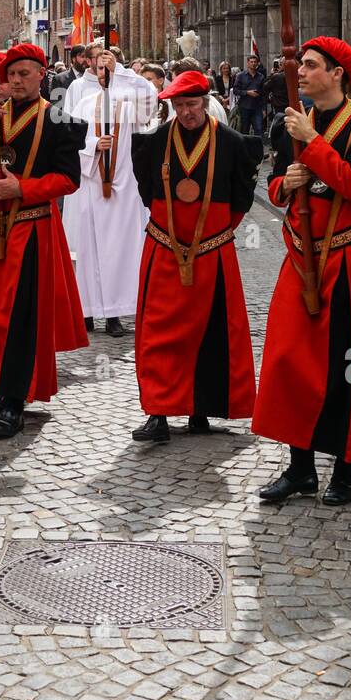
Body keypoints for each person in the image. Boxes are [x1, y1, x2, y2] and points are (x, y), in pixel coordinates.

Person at [253, 37, 351, 505]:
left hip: (349, 254)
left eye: (311, 66)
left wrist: (313, 144)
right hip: (302, 255)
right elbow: (277, 185)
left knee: (347, 363)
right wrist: (286, 182)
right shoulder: (290, 125)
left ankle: (345, 468)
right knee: (290, 360)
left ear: (338, 73)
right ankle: (300, 468)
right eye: (299, 65)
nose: (299, 72)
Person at [0, 43, 88, 439]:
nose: (16, 80)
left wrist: (23, 188)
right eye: (11, 74)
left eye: (24, 74)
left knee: (19, 317)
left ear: (41, 75)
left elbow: (69, 180)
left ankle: (14, 399)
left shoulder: (60, 121)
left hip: (29, 229)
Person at [129, 70, 263, 443]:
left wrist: (214, 235)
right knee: (157, 331)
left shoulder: (233, 143)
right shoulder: (153, 143)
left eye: (192, 104)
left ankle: (201, 410)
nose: (186, 112)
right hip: (164, 248)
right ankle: (157, 412)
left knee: (213, 332)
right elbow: (147, 191)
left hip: (213, 250)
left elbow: (241, 198)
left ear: (206, 103)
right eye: (179, 106)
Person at [62, 51, 157, 337]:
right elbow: (68, 144)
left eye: (110, 72)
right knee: (89, 253)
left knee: (121, 252)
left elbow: (152, 99)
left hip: (124, 189)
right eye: (102, 72)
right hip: (91, 187)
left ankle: (116, 312)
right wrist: (92, 146)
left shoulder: (131, 104)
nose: (106, 77)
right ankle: (88, 310)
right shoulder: (83, 104)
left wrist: (124, 71)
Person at [232, 54, 265, 137]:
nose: (253, 64)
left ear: (257, 63)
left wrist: (264, 109)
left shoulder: (261, 77)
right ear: (248, 63)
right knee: (244, 130)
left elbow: (264, 93)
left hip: (257, 107)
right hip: (244, 107)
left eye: (255, 62)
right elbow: (235, 90)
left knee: (259, 129)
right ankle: (245, 149)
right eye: (251, 62)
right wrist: (247, 92)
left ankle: (258, 149)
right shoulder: (240, 76)